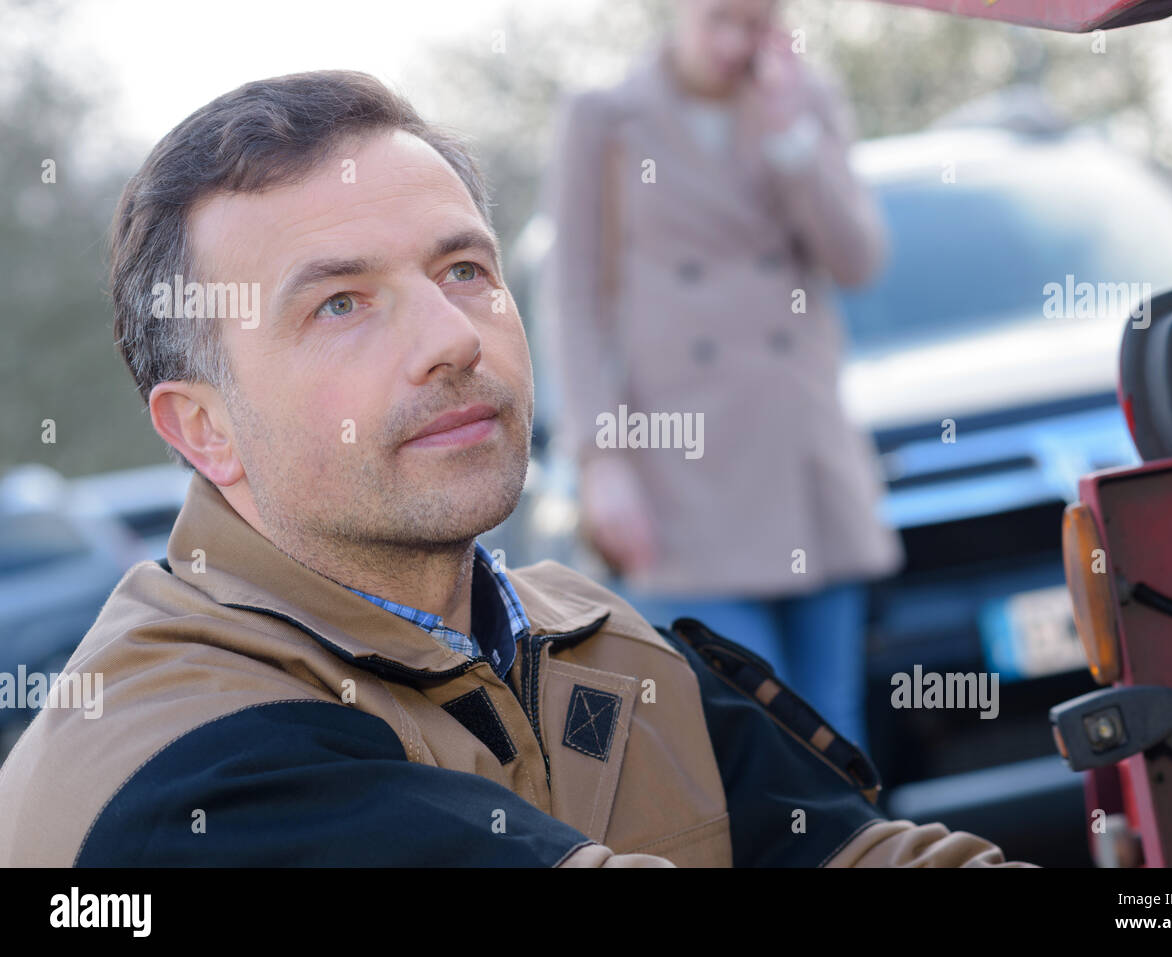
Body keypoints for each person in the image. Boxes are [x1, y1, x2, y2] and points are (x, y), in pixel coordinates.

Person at [0, 70, 1023, 868]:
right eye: (340, 306)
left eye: (464, 271)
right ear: (203, 429)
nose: (452, 339)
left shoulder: (597, 642)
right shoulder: (182, 760)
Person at [542, 0, 903, 751]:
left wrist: (792, 141)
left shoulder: (804, 101)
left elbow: (859, 260)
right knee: (741, 728)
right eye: (720, 20)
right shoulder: (605, 119)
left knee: (835, 731)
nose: (736, 43)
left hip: (804, 461)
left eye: (755, 22)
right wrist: (600, 460)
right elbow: (574, 299)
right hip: (680, 476)